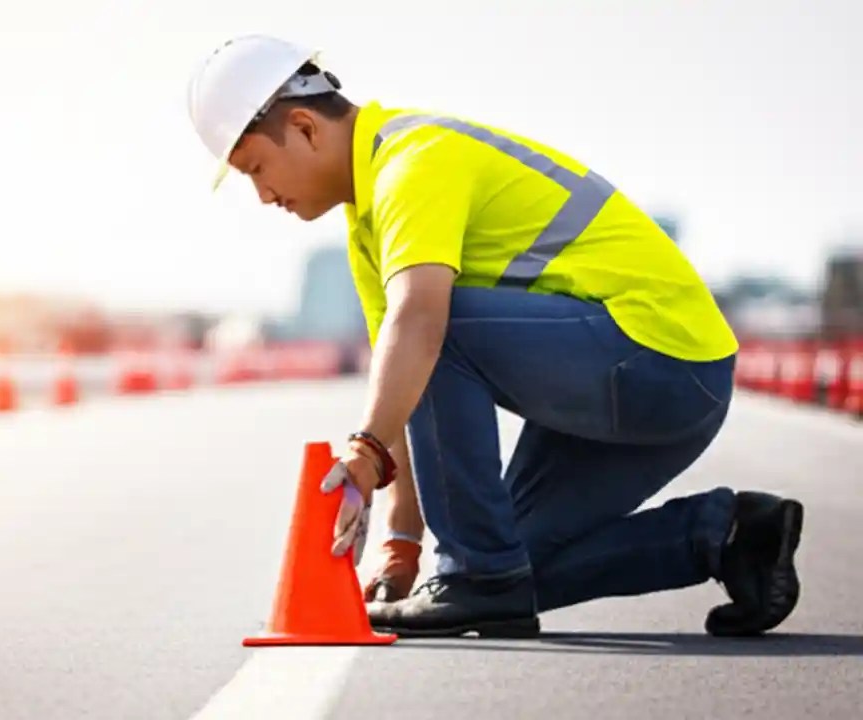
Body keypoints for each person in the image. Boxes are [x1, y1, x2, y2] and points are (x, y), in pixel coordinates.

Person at [185, 35, 805, 638]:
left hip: (659, 357)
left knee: (436, 338)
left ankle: (473, 577)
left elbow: (422, 328)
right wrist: (402, 543)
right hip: (651, 377)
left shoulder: (412, 162)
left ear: (306, 127)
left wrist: (365, 452)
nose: (263, 195)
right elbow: (400, 379)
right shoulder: (368, 228)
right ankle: (729, 534)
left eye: (256, 168)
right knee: (509, 568)